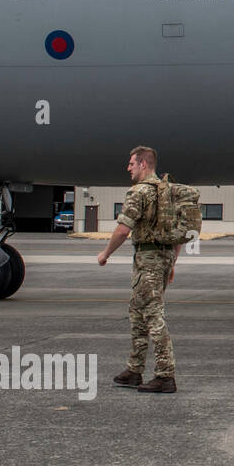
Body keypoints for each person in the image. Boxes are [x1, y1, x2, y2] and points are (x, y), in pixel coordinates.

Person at [97, 145, 181, 393]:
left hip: (148, 260)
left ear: (143, 164)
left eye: (132, 163)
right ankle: (134, 370)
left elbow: (123, 230)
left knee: (153, 316)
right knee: (137, 312)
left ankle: (165, 376)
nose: (128, 168)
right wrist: (172, 263)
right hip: (163, 258)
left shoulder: (140, 192)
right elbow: (176, 231)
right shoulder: (168, 192)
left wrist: (105, 254)